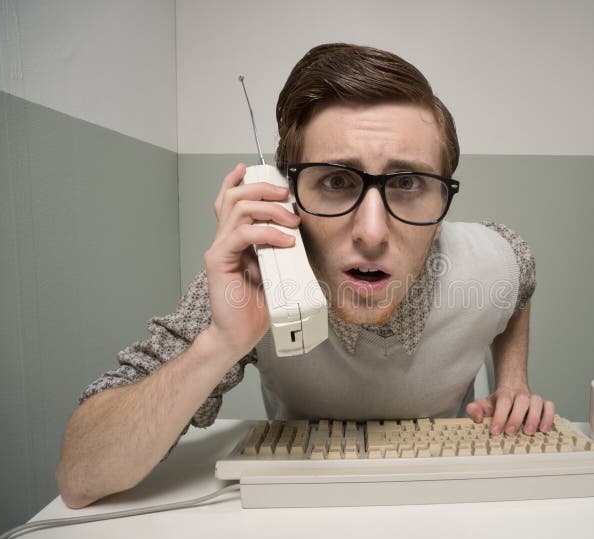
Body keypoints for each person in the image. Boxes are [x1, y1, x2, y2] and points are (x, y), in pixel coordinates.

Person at [56, 43, 555, 508]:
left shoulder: (488, 261)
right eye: (336, 181)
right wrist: (220, 343)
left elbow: (521, 281)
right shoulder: (253, 278)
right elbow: (80, 477)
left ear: (443, 196)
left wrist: (513, 381)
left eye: (407, 182)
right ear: (287, 193)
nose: (372, 232)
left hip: (447, 498)